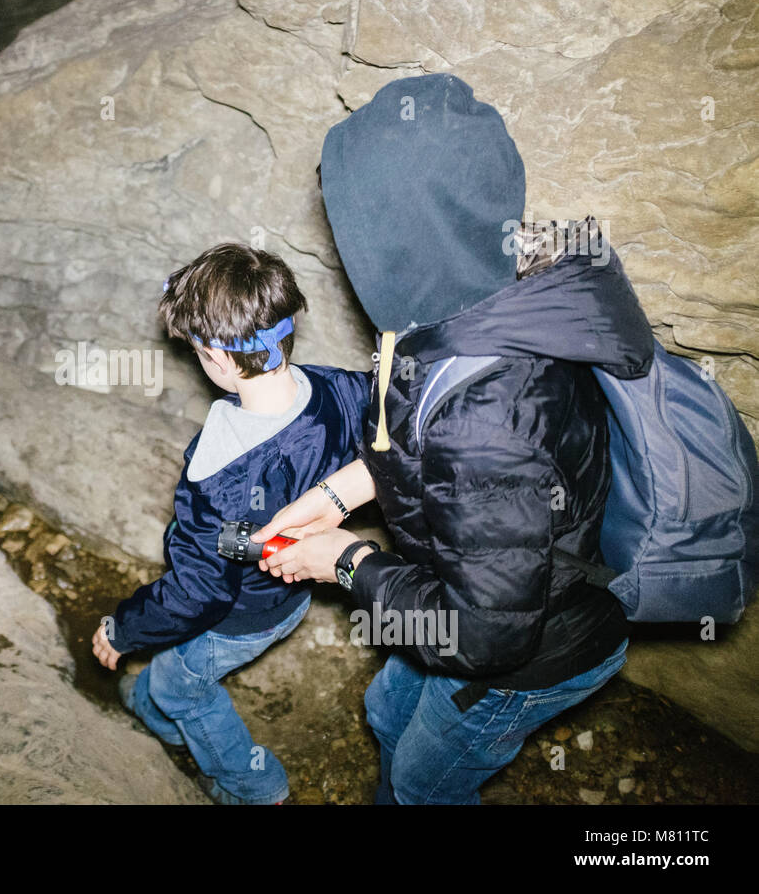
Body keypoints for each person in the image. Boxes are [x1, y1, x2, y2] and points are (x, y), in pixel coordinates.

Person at [252, 73, 653, 804]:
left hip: (525, 656)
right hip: (475, 585)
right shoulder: (475, 301)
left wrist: (342, 562)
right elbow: (425, 439)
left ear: (401, 233)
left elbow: (485, 636)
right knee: (385, 712)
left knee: (420, 787)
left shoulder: (486, 414)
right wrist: (338, 493)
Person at [91, 242, 370, 804]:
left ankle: (254, 786)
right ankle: (155, 714)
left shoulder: (216, 469)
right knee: (168, 686)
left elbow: (197, 592)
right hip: (291, 594)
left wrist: (123, 629)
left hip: (236, 618)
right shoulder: (338, 389)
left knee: (183, 688)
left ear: (217, 359)